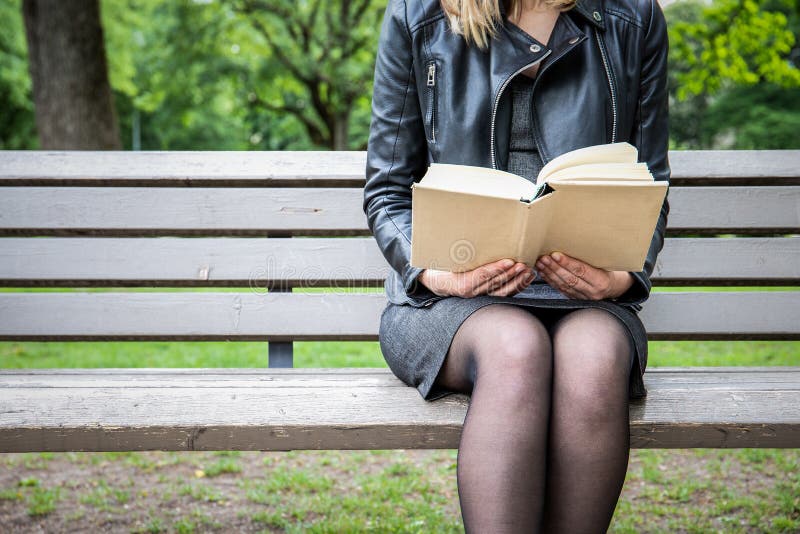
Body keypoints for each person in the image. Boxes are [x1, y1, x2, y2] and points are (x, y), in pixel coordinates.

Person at [362, 0, 670, 531]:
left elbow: (651, 185)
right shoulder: (419, 17)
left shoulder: (633, 18)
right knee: (517, 346)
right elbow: (388, 192)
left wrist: (623, 276)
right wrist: (434, 272)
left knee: (594, 358)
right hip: (448, 300)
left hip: (585, 299)